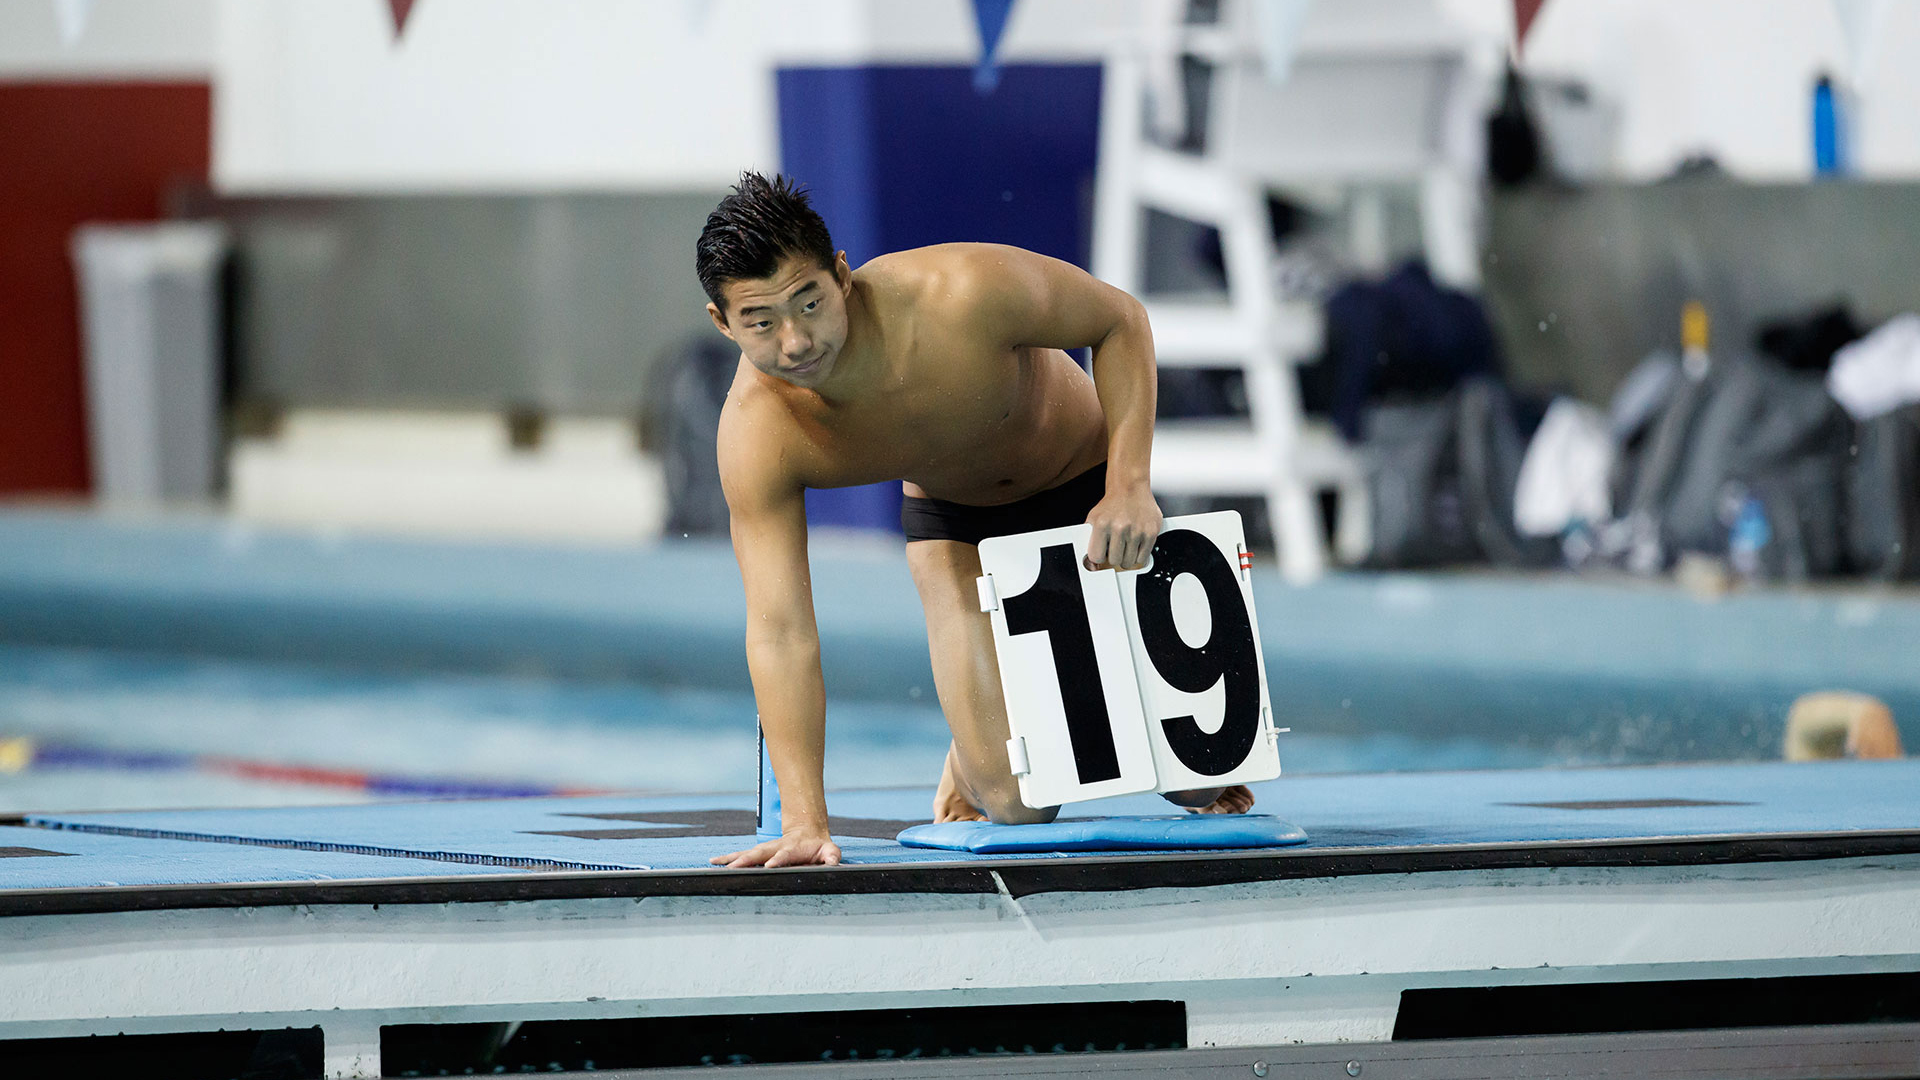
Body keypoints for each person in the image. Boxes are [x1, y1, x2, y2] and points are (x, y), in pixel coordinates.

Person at [697, 172, 1254, 869]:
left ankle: (1000, 702)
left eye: (809, 302)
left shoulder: (959, 293)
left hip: (1087, 490)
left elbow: (1119, 319)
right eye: (762, 322)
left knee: (1201, 779)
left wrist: (1129, 483)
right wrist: (806, 820)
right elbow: (780, 631)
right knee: (1021, 804)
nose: (796, 341)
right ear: (723, 324)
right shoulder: (758, 433)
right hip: (956, 524)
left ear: (842, 277)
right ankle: (973, 754)